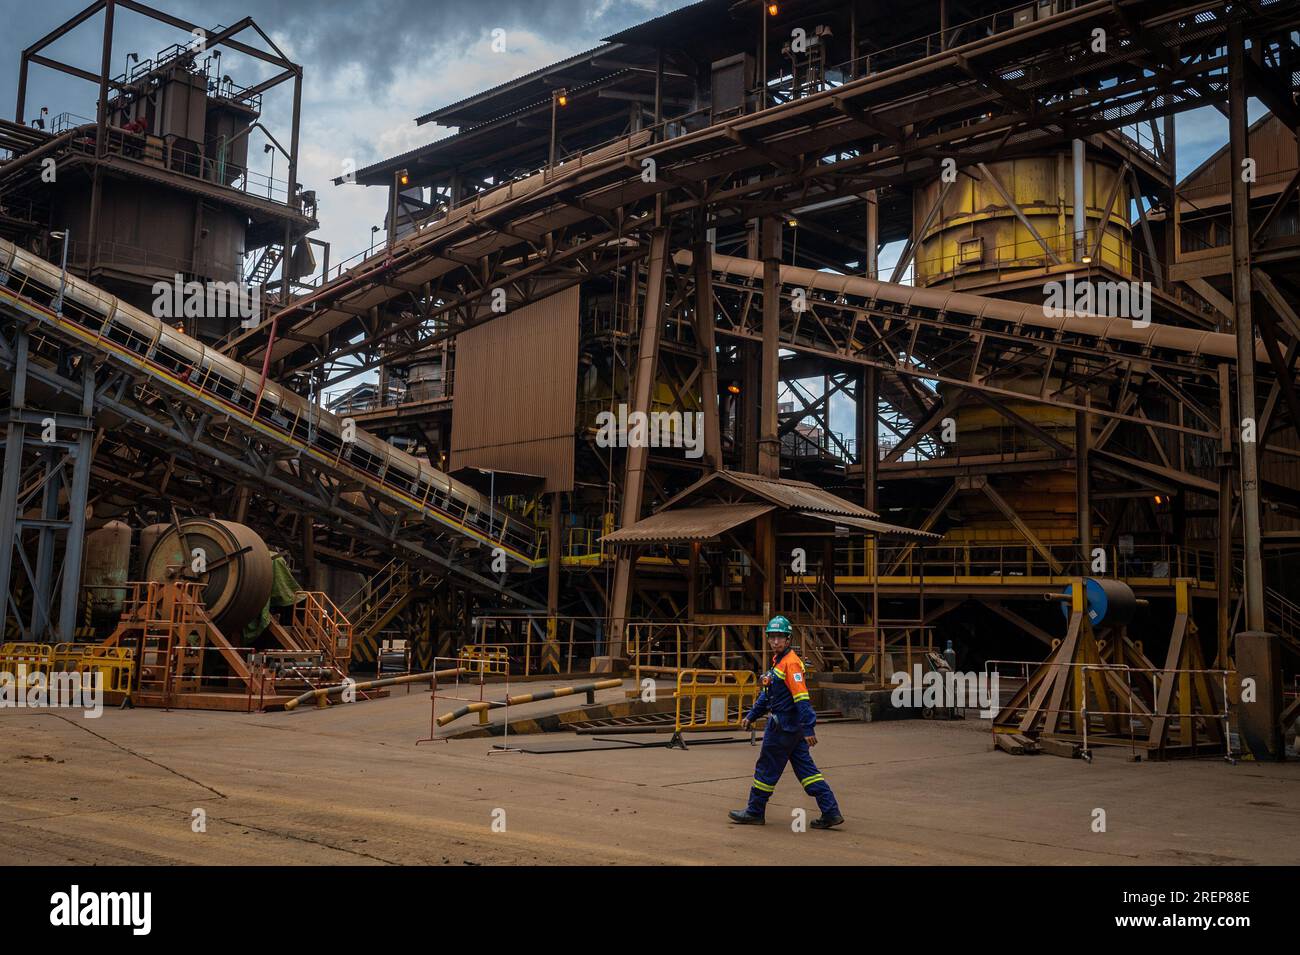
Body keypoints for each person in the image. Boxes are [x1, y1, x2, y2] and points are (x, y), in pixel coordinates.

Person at [729, 615, 843, 829]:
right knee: (808, 773)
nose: (774, 641)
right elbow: (767, 695)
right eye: (771, 637)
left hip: (782, 728)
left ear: (788, 639)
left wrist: (809, 727)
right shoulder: (779, 663)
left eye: (779, 637)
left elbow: (802, 698)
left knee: (765, 769)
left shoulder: (790, 664)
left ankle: (754, 811)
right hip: (794, 730)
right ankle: (831, 811)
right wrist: (751, 715)